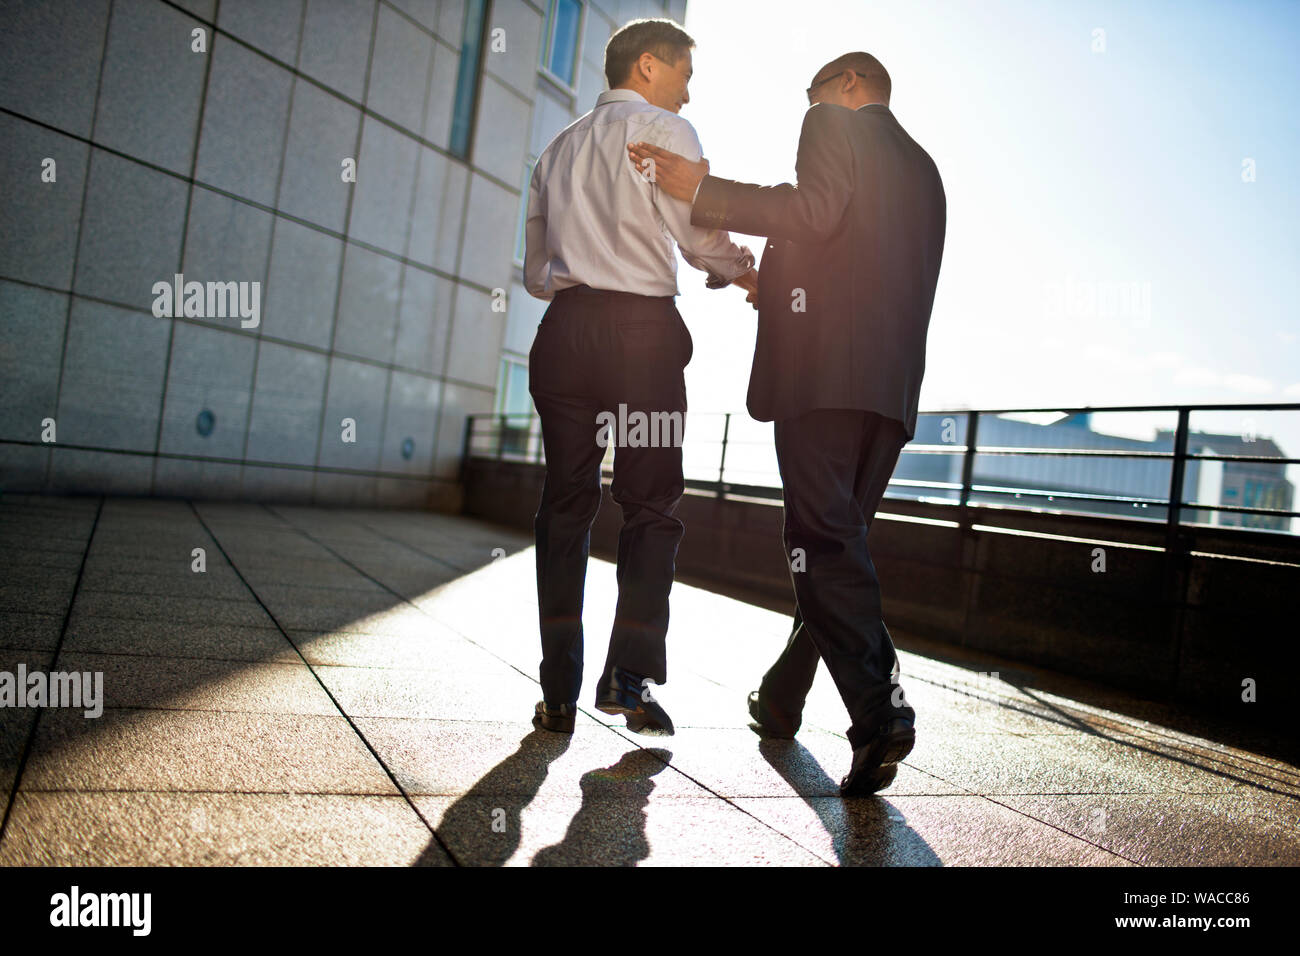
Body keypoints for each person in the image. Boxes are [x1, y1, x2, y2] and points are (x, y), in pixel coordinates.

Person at [627, 52, 946, 793]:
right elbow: (860, 259)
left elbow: (813, 210)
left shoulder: (832, 119)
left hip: (821, 381)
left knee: (821, 542)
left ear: (849, 87)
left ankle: (880, 710)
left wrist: (704, 189)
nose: (810, 107)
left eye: (815, 95)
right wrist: (780, 289)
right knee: (839, 547)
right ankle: (783, 698)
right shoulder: (925, 170)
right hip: (889, 391)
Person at [524, 18, 758, 737]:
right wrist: (741, 270)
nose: (688, 94)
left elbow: (536, 273)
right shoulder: (663, 131)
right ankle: (628, 675)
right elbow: (697, 236)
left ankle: (558, 692)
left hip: (562, 336)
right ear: (651, 67)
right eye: (686, 74)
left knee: (566, 508)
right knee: (650, 504)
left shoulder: (555, 150)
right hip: (639, 342)